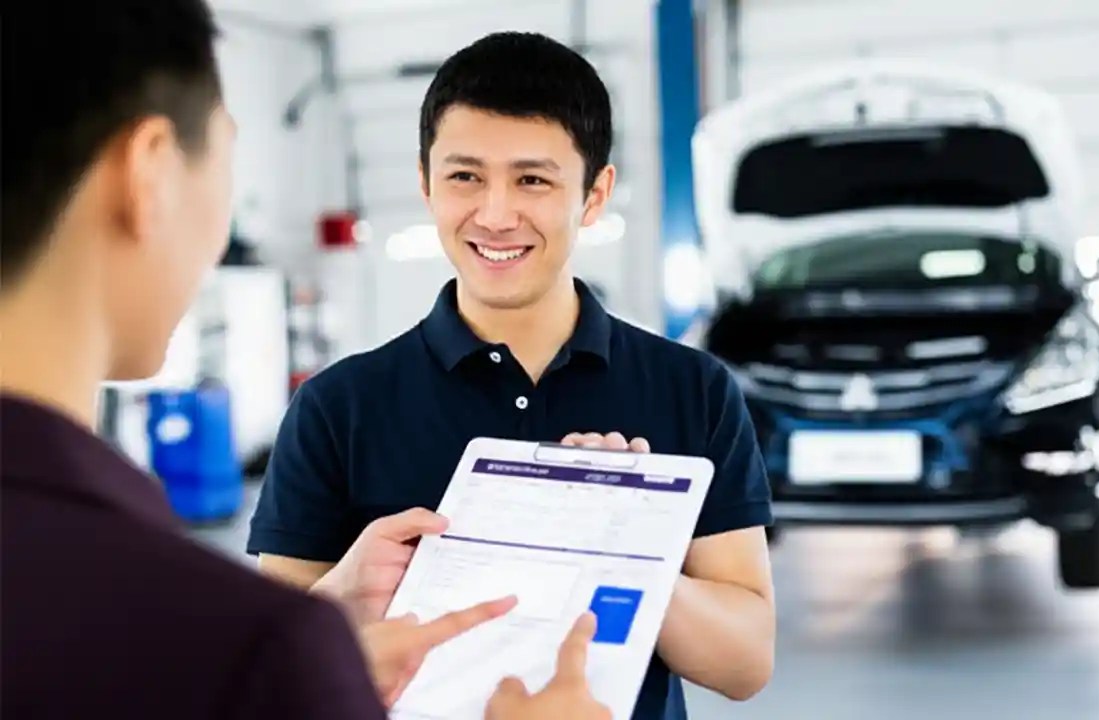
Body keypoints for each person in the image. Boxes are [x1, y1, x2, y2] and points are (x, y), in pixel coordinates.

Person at [0, 4, 606, 719]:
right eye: (224, 154)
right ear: (151, 173)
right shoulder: (222, 641)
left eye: (532, 180)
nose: (497, 213)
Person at [248, 31, 777, 719]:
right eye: (465, 176)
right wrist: (343, 597)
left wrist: (623, 549)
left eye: (533, 179)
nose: (495, 215)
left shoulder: (693, 389)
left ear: (594, 194)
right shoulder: (337, 407)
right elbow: (272, 683)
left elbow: (744, 664)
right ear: (425, 183)